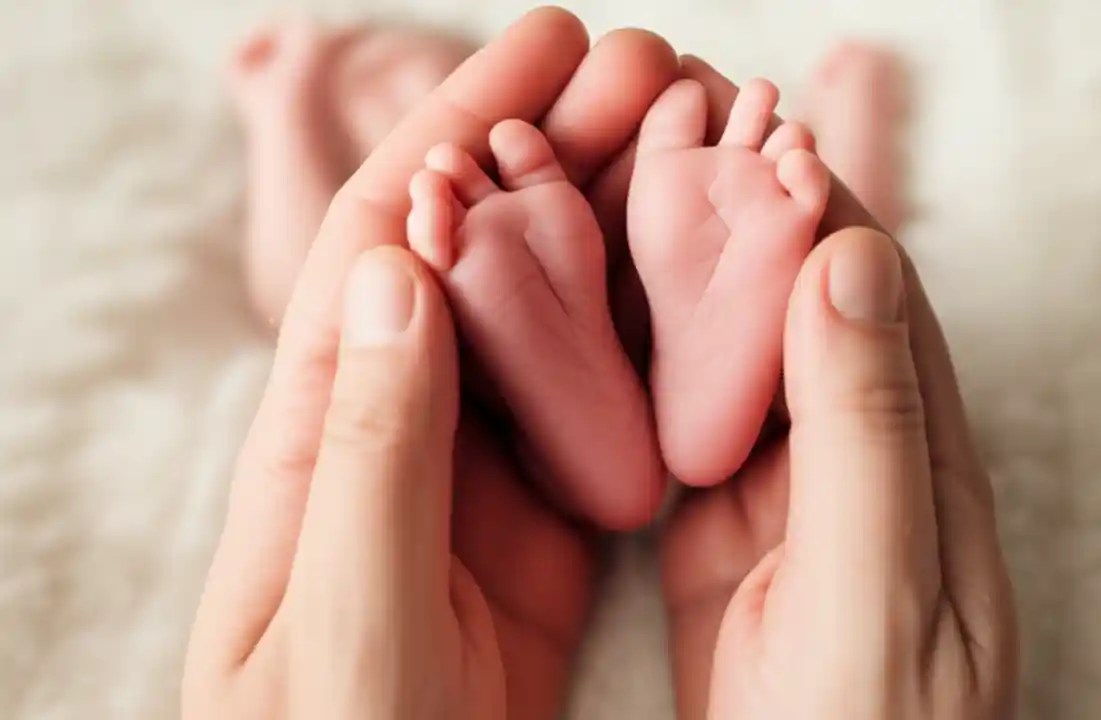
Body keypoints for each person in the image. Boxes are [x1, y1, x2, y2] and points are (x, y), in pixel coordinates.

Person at [184, 7, 1016, 719]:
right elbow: (844, 208)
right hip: (525, 319)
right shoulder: (479, 193)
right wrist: (856, 95)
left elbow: (298, 272)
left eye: (434, 71)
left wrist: (286, 101)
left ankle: (589, 395)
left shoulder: (458, 194)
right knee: (827, 249)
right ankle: (643, 380)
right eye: (381, 92)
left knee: (327, 283)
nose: (416, 91)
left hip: (479, 388)